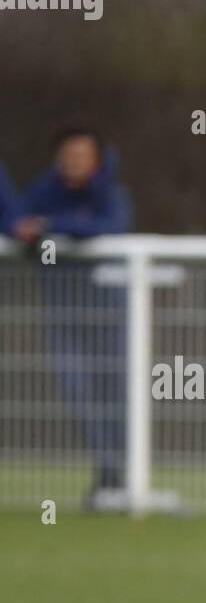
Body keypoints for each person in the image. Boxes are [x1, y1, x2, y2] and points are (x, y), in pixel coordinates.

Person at [9, 127, 133, 508]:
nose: (73, 163)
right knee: (77, 393)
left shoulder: (110, 193)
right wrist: (32, 231)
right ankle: (109, 474)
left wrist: (53, 227)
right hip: (63, 314)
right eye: (67, 155)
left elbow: (107, 226)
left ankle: (115, 479)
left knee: (115, 397)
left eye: (81, 156)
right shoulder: (43, 191)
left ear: (96, 160)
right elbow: (17, 220)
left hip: (108, 314)